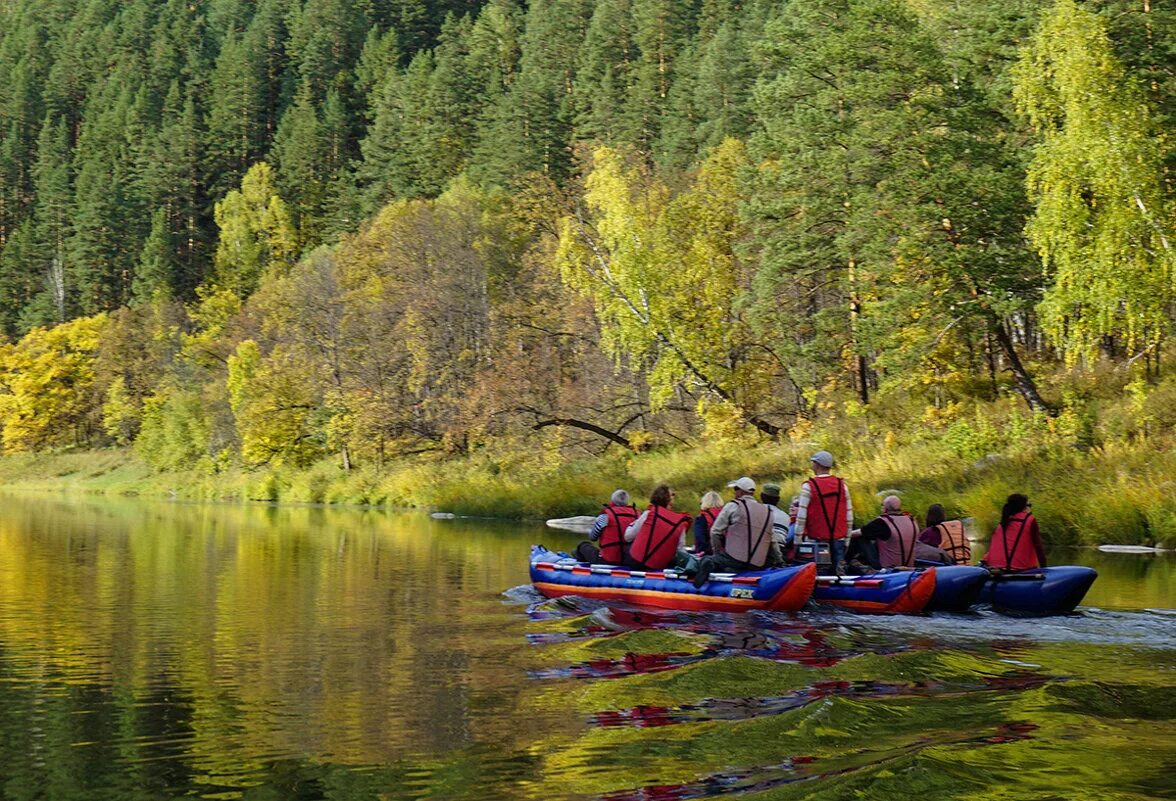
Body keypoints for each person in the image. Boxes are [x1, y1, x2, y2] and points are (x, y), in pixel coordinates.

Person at [691, 477, 774, 588]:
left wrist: (717, 554)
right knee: (733, 564)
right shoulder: (767, 511)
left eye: (735, 489)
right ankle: (730, 569)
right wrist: (780, 561)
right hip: (757, 563)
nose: (734, 492)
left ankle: (706, 575)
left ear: (739, 491)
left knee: (708, 560)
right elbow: (773, 540)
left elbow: (715, 532)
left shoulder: (733, 506)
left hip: (735, 559)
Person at [793, 451, 853, 569]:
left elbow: (801, 519)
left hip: (817, 542)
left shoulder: (808, 486)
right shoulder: (842, 486)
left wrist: (797, 543)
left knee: (821, 576)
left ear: (817, 464)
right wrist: (847, 541)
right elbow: (849, 516)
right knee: (839, 576)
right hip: (839, 540)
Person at [624, 485, 694, 571]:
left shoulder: (648, 514)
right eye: (673, 494)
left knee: (627, 544)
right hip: (658, 565)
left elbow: (628, 537)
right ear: (669, 500)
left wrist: (631, 525)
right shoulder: (680, 522)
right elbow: (680, 550)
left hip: (636, 562)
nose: (674, 496)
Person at [849, 495, 918, 569]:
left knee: (861, 537)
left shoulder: (882, 522)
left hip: (887, 568)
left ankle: (848, 562)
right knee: (879, 538)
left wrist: (842, 534)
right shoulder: (912, 520)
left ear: (885, 508)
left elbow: (856, 533)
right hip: (909, 566)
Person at [983, 493, 1047, 571]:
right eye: (1029, 505)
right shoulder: (1030, 520)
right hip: (1020, 569)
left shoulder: (1003, 523)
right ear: (1024, 507)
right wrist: (1045, 569)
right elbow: (1038, 547)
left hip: (993, 568)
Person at [573, 489, 637, 564]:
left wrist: (590, 530)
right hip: (630, 559)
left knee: (583, 545)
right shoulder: (637, 515)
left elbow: (593, 537)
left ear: (613, 500)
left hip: (608, 559)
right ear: (627, 501)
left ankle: (578, 565)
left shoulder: (605, 516)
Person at [760, 483, 788, 567]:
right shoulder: (786, 516)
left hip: (760, 552)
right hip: (781, 552)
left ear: (762, 496)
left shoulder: (756, 512)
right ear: (778, 499)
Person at [693, 490, 724, 555]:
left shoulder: (701, 518)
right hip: (724, 553)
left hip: (708, 554)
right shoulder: (725, 515)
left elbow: (700, 539)